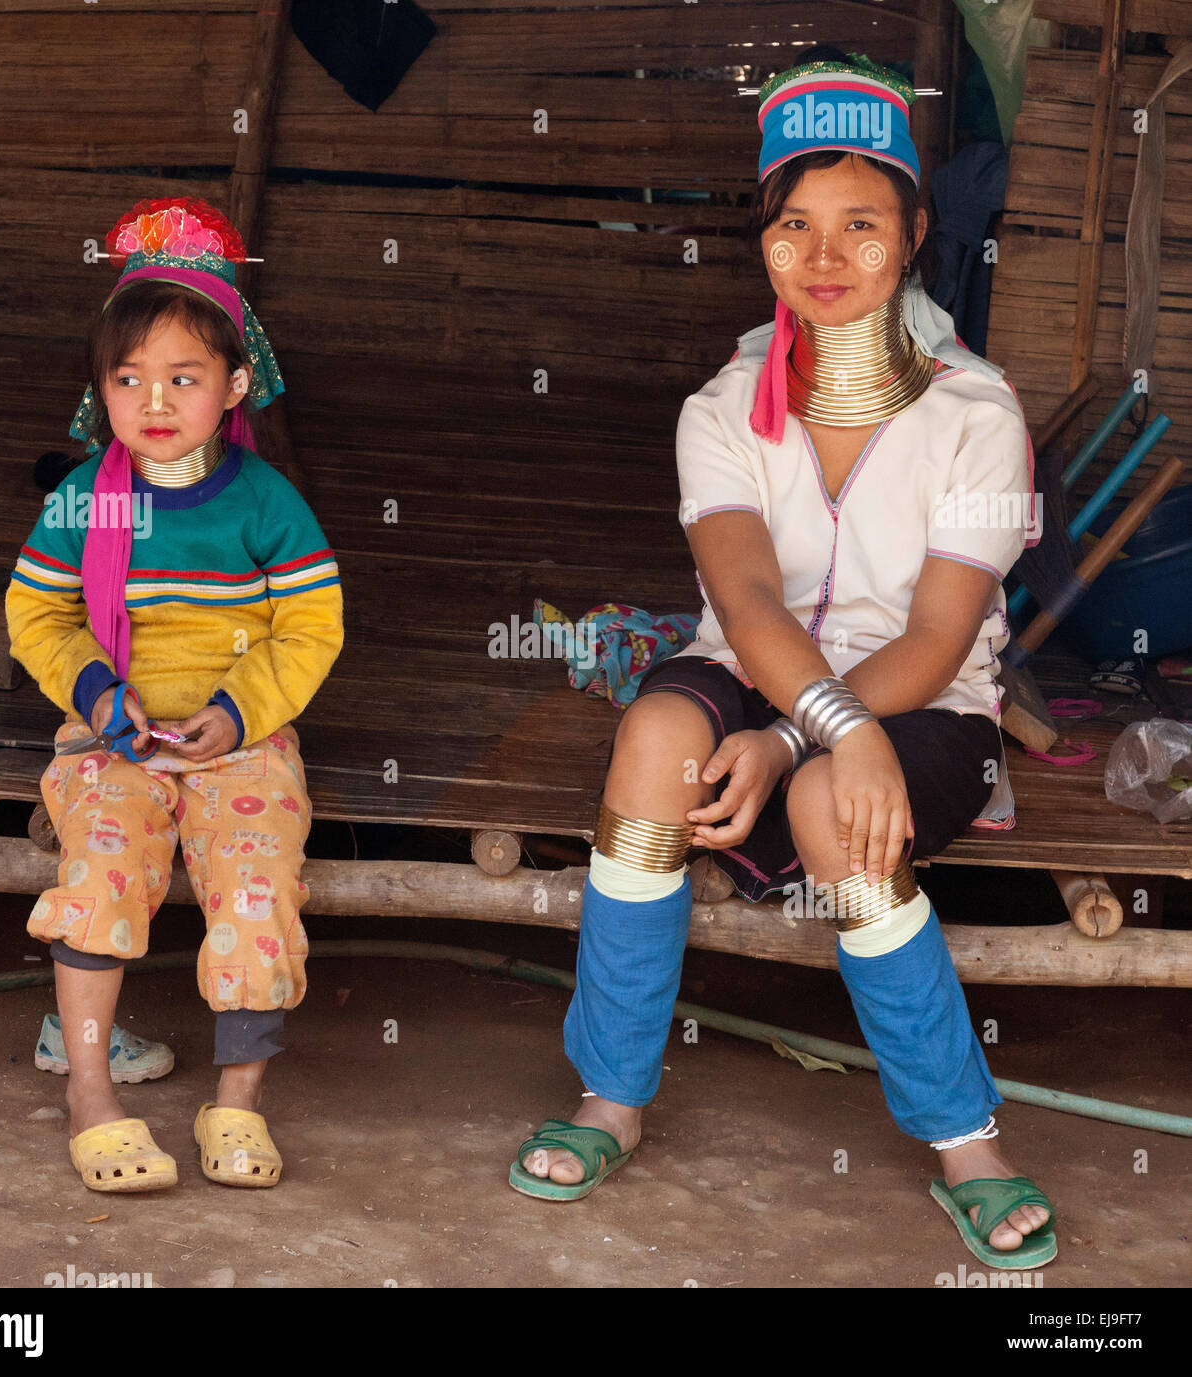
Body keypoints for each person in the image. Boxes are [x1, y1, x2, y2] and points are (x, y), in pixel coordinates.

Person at [510, 53, 1057, 1270]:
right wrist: (801, 717)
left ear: (914, 234)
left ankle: (964, 1138)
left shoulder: (975, 414)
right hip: (761, 665)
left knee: (824, 802)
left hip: (926, 700)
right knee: (654, 736)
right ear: (761, 244)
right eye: (794, 226)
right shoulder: (721, 408)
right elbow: (746, 598)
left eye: (860, 224)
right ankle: (612, 1094)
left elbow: (931, 636)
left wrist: (806, 736)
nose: (824, 255)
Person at [7, 196, 343, 1192]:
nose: (153, 400)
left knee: (253, 884)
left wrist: (237, 714)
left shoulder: (265, 502)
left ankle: (235, 1105)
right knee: (103, 869)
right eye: (128, 377)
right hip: (112, 740)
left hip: (243, 741)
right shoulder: (83, 502)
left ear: (234, 384)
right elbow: (38, 618)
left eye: (183, 377)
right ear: (101, 389)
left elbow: (309, 626)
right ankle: (91, 1096)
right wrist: (104, 699)